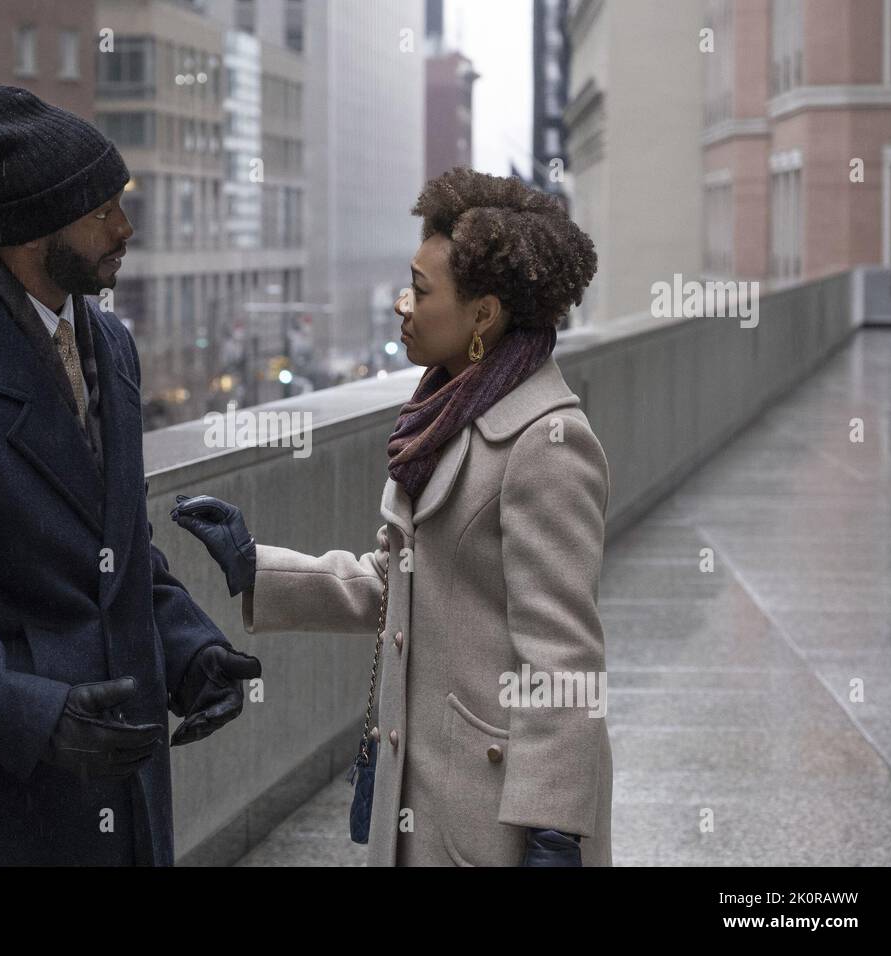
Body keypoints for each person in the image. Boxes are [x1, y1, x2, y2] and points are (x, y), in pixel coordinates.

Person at [0, 86, 260, 866]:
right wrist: (34, 714)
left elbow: (121, 556)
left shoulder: (113, 349)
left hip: (126, 798)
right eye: (102, 212)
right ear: (34, 230)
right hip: (0, 813)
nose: (125, 230)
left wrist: (191, 652)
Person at [172, 168, 611, 866]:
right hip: (424, 799)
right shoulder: (447, 412)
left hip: (494, 820)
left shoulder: (544, 444)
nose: (402, 305)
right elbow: (402, 583)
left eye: (423, 290)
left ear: (483, 316)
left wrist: (555, 832)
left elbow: (563, 660)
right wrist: (256, 565)